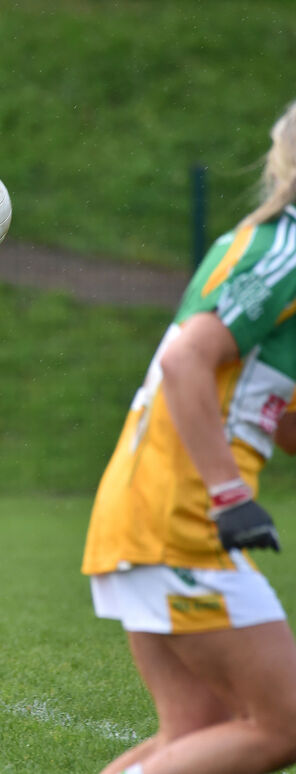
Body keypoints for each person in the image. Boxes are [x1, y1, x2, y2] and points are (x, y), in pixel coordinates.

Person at [81, 101, 296, 774]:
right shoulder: (283, 249)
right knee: (282, 727)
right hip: (185, 515)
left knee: (199, 731)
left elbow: (275, 413)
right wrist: (230, 496)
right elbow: (185, 362)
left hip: (152, 507)